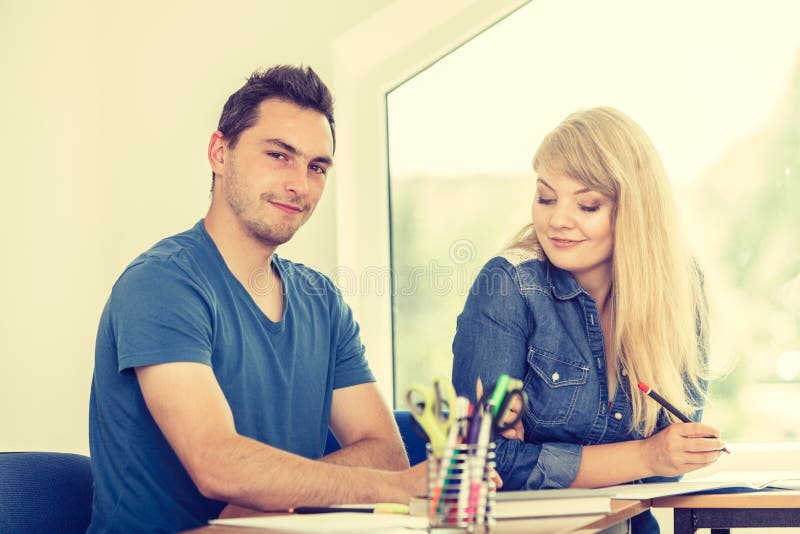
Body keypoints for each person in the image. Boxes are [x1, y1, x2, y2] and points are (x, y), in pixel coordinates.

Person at [88, 65, 425, 533]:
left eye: (316, 167)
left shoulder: (320, 299)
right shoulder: (162, 283)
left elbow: (385, 452)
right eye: (279, 155)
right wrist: (391, 489)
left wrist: (274, 497)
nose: (300, 185)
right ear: (219, 152)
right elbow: (217, 464)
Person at [451, 107, 723, 532]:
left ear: (634, 212)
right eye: (545, 197)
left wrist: (664, 454)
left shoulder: (679, 289)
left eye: (588, 204)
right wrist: (643, 455)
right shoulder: (509, 286)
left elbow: (674, 462)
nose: (557, 219)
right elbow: (484, 463)